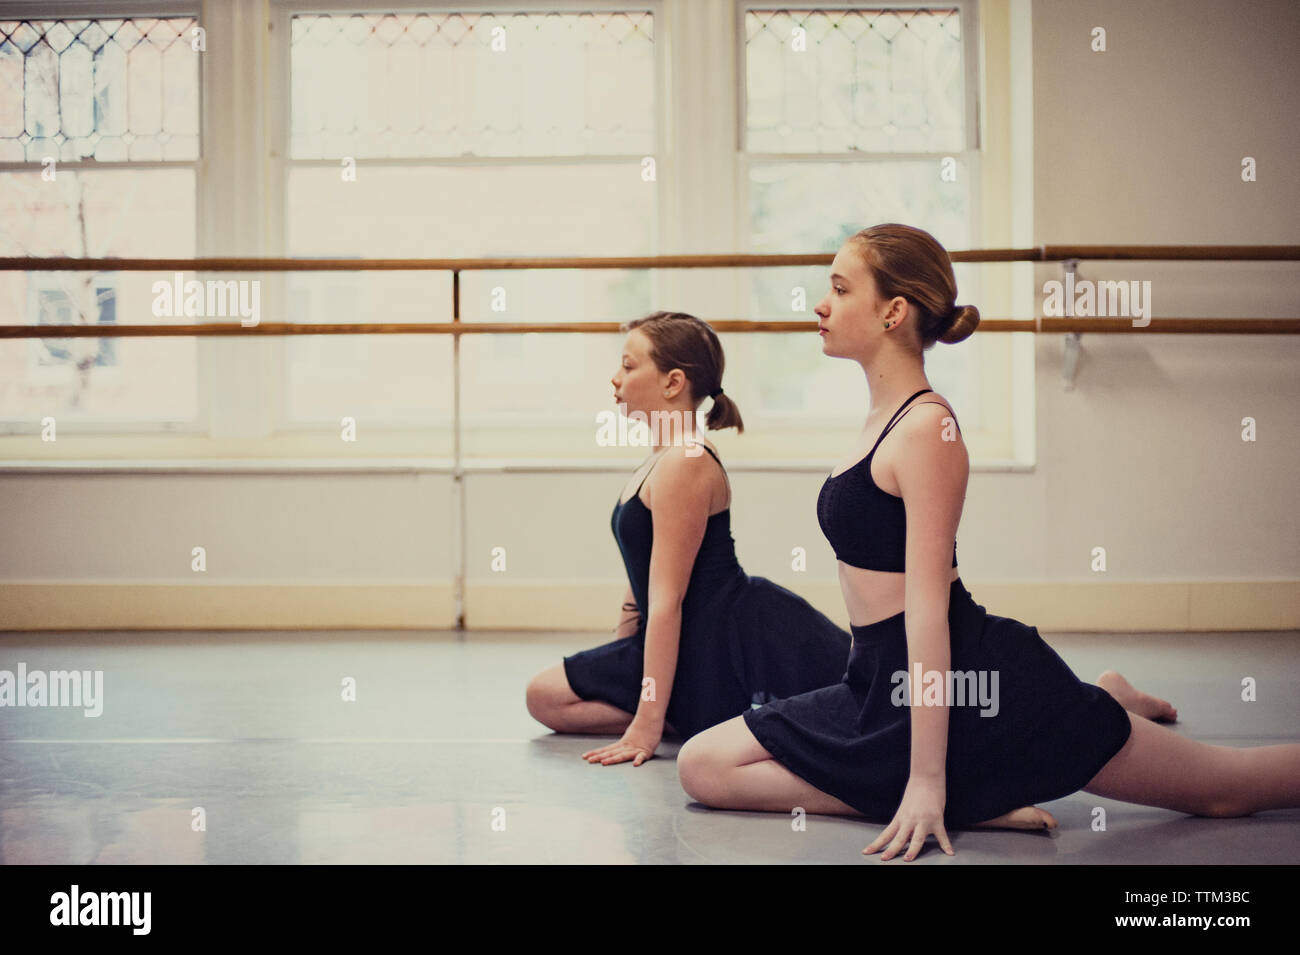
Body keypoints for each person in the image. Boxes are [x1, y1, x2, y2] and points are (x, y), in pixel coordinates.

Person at [676, 223, 1300, 859]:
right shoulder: (881, 419)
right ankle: (1024, 757)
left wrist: (927, 783)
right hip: (878, 686)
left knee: (1228, 788)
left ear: (893, 311)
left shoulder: (927, 429)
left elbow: (926, 612)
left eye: (840, 288)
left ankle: (1063, 725)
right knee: (704, 765)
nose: (820, 304)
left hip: (979, 685)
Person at [525, 311, 852, 766]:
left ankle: (686, 711)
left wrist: (646, 724)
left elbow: (667, 600)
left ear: (673, 382)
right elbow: (642, 573)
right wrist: (622, 651)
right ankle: (684, 713)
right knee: (544, 697)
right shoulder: (662, 456)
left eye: (629, 365)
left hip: (718, 642)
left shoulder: (686, 461)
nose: (615, 378)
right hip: (677, 635)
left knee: (546, 695)